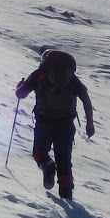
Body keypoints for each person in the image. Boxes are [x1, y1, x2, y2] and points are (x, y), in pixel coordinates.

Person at [15, 48, 95, 200]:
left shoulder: (40, 74)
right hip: (66, 125)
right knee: (64, 162)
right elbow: (85, 98)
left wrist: (20, 85)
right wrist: (89, 122)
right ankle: (66, 196)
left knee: (39, 153)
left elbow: (21, 94)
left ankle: (47, 164)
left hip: (44, 122)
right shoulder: (71, 78)